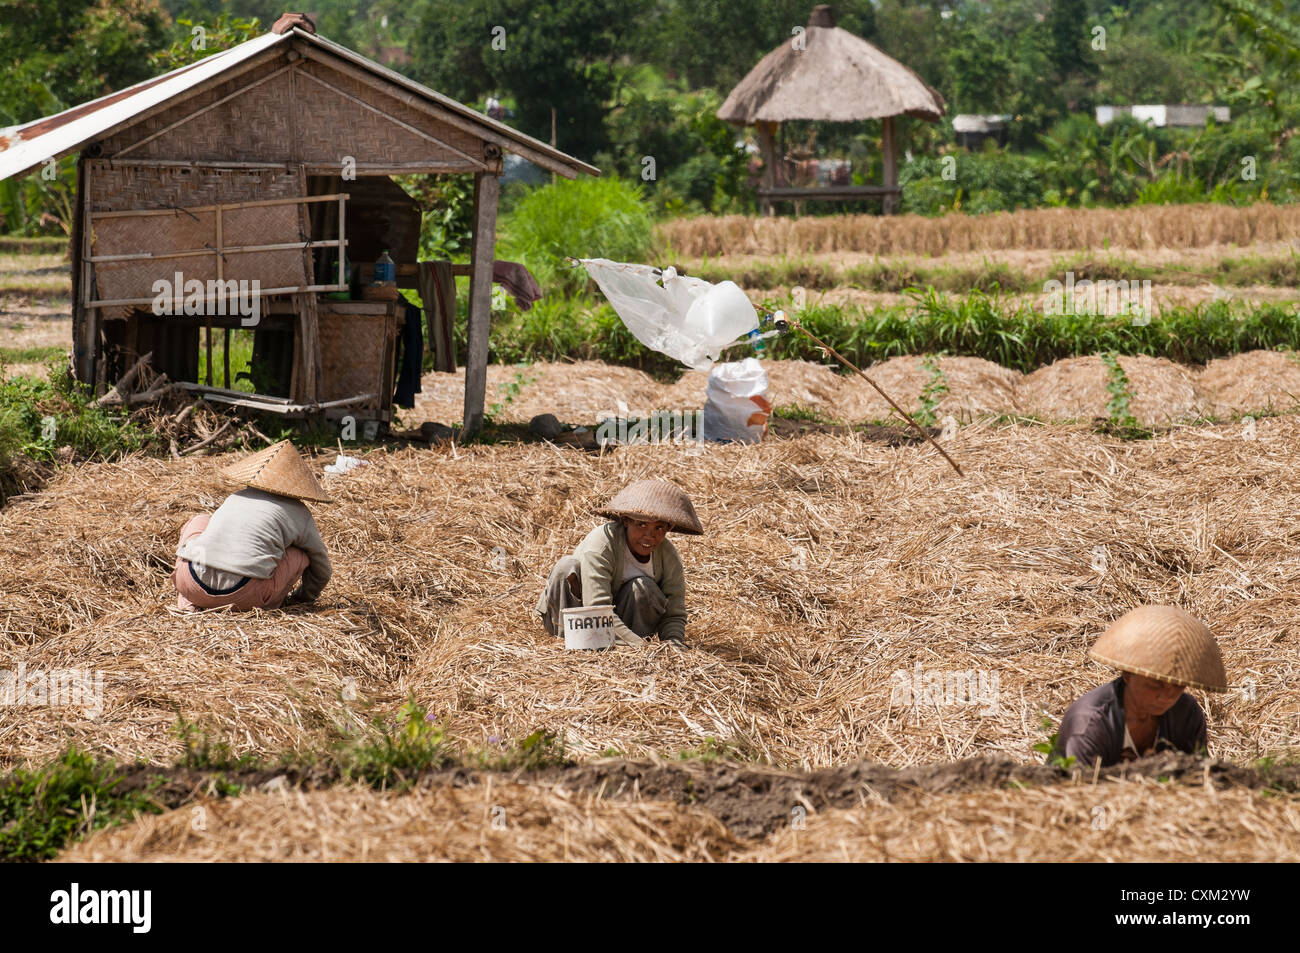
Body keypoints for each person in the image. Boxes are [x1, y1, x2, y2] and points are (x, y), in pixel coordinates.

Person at [1051, 605, 1227, 768]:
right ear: (1128, 675)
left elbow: (1197, 780)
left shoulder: (1186, 715)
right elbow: (1079, 792)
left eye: (1178, 685)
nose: (1167, 696)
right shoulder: (1091, 723)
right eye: (1156, 684)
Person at [536, 479, 703, 646]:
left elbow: (674, 613)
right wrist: (640, 648)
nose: (649, 536)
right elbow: (598, 610)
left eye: (658, 528)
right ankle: (571, 642)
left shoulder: (667, 555)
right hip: (580, 617)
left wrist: (673, 644)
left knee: (643, 587)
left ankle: (623, 644)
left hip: (627, 625)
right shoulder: (601, 545)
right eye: (641, 524)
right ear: (626, 521)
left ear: (669, 528)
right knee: (566, 567)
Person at [171, 440, 333, 611]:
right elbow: (321, 566)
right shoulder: (300, 512)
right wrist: (305, 597)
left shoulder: (238, 496)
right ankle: (271, 604)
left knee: (200, 520)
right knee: (301, 555)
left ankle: (188, 601)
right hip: (246, 596)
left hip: (189, 582)